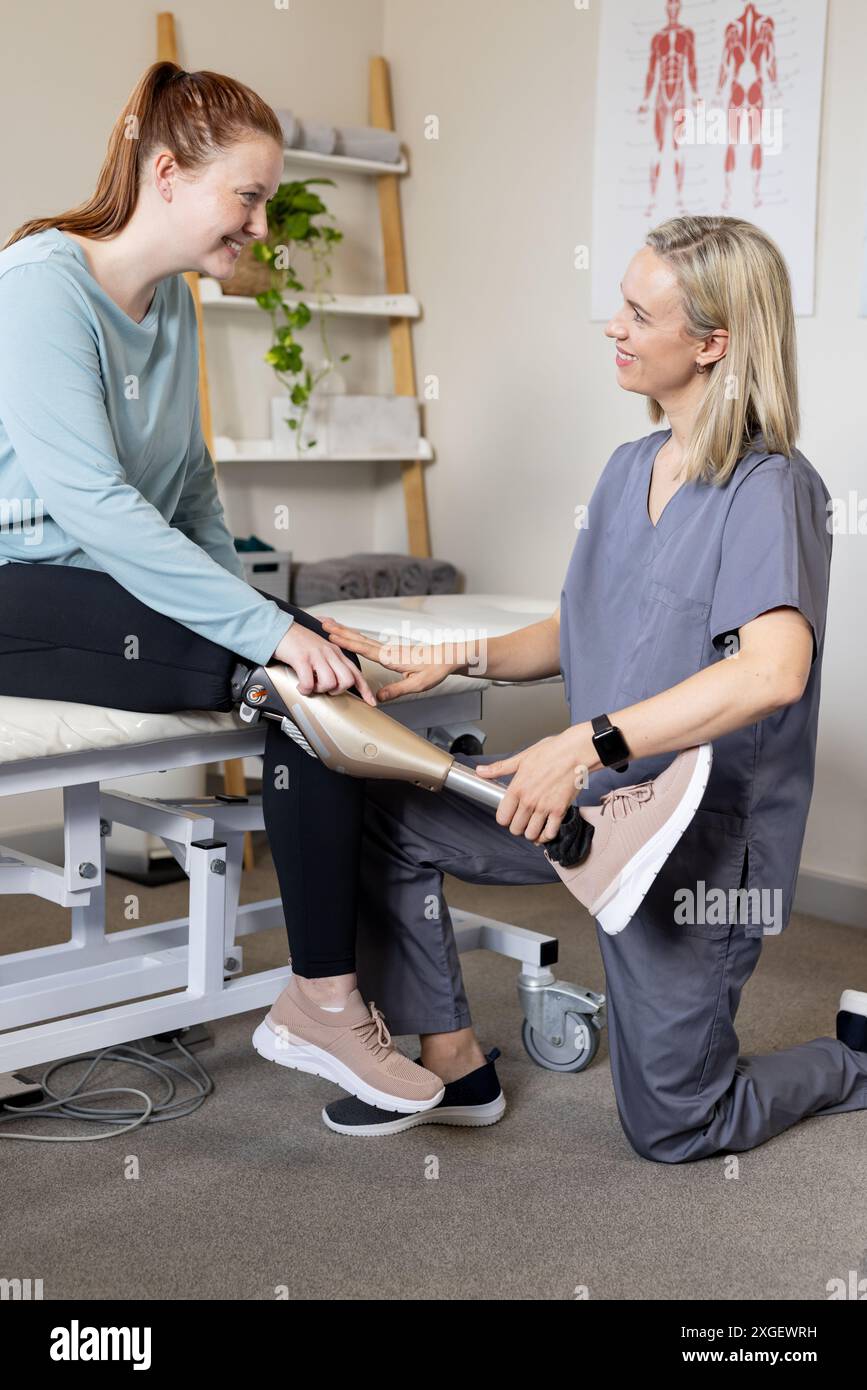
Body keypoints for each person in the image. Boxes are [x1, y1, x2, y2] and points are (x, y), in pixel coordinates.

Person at [316, 215, 867, 1160]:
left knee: (674, 1125)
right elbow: (587, 626)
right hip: (583, 808)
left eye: (636, 311)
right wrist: (464, 656)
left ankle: (854, 1061)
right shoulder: (627, 470)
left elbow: (773, 670)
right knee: (385, 813)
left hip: (702, 855)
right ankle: (456, 1067)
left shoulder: (772, 488)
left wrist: (584, 743)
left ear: (712, 344)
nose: (611, 325)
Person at [0, 61, 450, 1115]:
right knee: (287, 672)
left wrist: (283, 619)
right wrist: (264, 636)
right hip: (15, 587)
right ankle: (328, 1004)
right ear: (166, 174)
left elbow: (191, 495)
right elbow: (98, 503)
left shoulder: (172, 307)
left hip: (108, 592)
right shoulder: (38, 286)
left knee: (315, 668)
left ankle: (321, 997)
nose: (258, 225)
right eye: (246, 196)